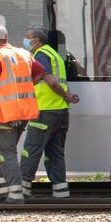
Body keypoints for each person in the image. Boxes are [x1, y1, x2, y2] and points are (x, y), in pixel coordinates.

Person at [0, 25, 44, 203]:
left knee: (7, 152)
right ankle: (3, 191)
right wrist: (27, 87)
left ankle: (16, 194)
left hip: (5, 112)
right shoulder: (23, 54)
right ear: (6, 38)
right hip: (23, 112)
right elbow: (40, 72)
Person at [19, 26, 80, 200]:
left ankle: (22, 190)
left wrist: (67, 96)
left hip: (45, 110)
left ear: (36, 40)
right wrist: (67, 97)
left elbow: (52, 82)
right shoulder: (54, 55)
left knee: (31, 149)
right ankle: (61, 191)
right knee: (55, 152)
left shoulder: (40, 55)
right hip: (61, 112)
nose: (25, 40)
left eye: (27, 37)